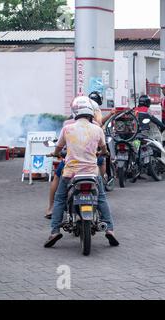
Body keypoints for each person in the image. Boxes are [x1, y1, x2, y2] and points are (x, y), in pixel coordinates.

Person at [44, 97, 119, 248]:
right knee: (102, 199)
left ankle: (54, 231)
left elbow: (58, 148)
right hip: (91, 172)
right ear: (91, 115)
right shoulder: (97, 129)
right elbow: (104, 149)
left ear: (76, 114)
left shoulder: (67, 129)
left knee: (59, 199)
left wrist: (54, 153)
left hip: (71, 173)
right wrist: (103, 153)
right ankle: (110, 229)